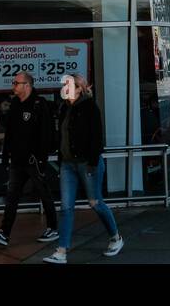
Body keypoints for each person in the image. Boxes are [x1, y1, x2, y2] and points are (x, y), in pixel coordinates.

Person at [44, 74, 123, 264]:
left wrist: (92, 163)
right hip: (68, 165)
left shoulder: (90, 107)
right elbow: (62, 136)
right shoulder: (64, 108)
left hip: (87, 163)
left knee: (95, 202)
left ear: (79, 88)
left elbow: (96, 137)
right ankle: (61, 251)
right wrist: (60, 157)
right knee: (66, 207)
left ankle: (115, 237)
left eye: (69, 85)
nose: (65, 88)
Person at [0, 72, 58, 248]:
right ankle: (4, 232)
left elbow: (46, 134)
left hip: (33, 161)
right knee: (12, 196)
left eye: (17, 83)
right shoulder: (15, 104)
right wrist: (6, 155)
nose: (13, 86)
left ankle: (53, 227)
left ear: (27, 85)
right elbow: (10, 132)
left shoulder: (39, 105)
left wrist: (40, 158)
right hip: (17, 160)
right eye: (13, 83)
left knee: (44, 193)